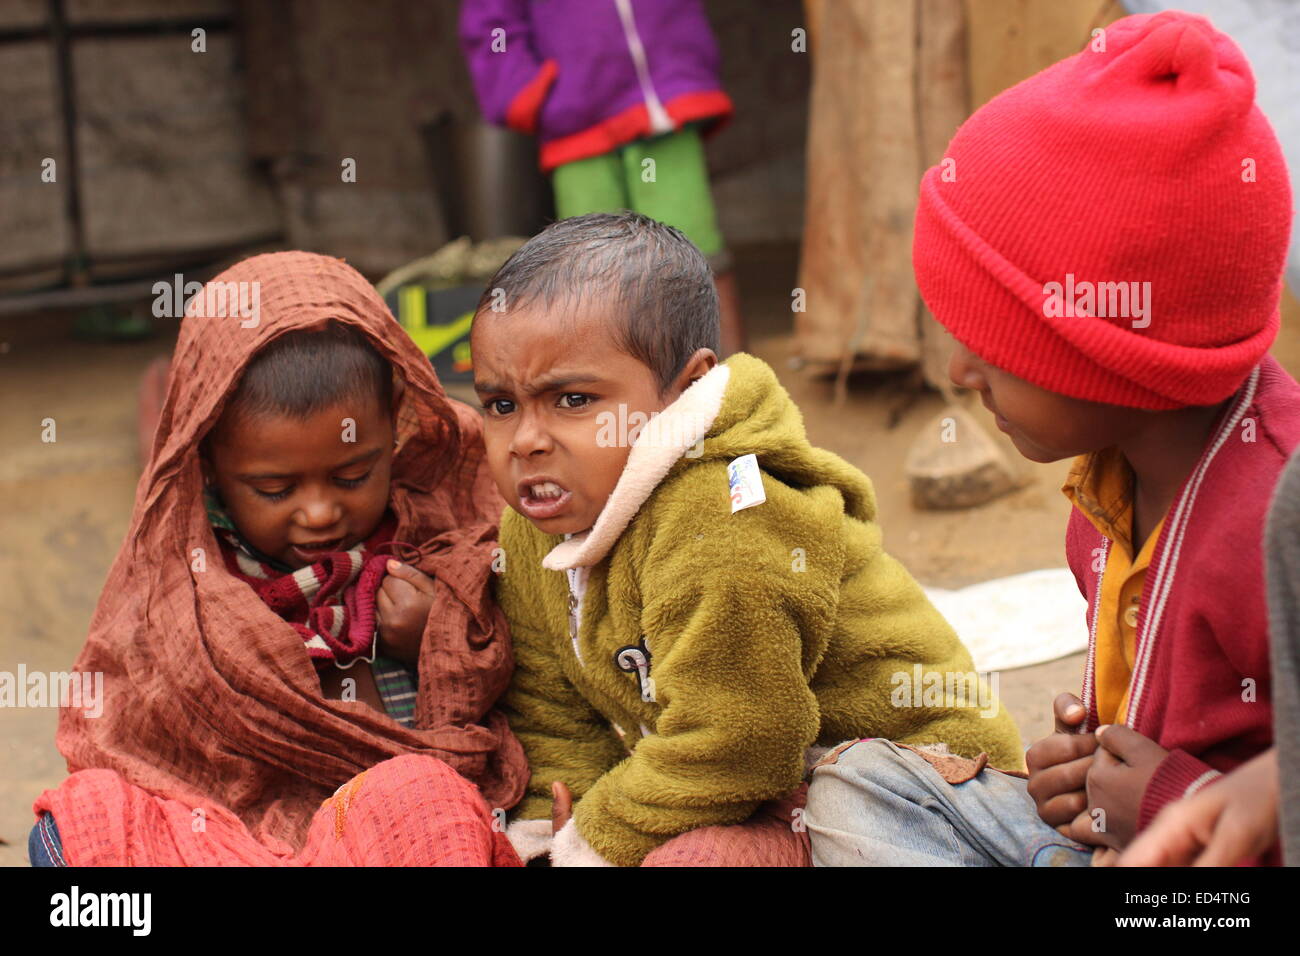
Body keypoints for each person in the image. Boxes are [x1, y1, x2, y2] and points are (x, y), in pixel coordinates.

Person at [803, 11, 1299, 866]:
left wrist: (1172, 800)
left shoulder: (1275, 515)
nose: (960, 372)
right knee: (860, 787)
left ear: (1114, 355)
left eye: (993, 341)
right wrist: (1087, 777)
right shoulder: (1105, 488)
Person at [470, 211, 1023, 867]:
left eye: (572, 400)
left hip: (922, 797)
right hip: (755, 790)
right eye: (501, 405)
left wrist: (597, 839)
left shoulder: (726, 514)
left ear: (689, 389)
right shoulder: (533, 528)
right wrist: (554, 828)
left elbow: (741, 742)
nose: (527, 440)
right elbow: (549, 708)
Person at [30, 251, 527, 866]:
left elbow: (544, 670)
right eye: (275, 490)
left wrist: (442, 637)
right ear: (207, 460)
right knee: (85, 818)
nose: (319, 513)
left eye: (353, 474)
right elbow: (138, 738)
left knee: (420, 795)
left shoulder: (446, 515)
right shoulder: (180, 580)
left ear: (397, 424)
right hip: (244, 830)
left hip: (394, 826)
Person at [459, 0, 747, 355]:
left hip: (669, 97)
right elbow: (490, 20)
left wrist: (689, 51)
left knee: (698, 254)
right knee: (592, 271)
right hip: (576, 123)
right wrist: (525, 91)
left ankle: (728, 386)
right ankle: (603, 388)